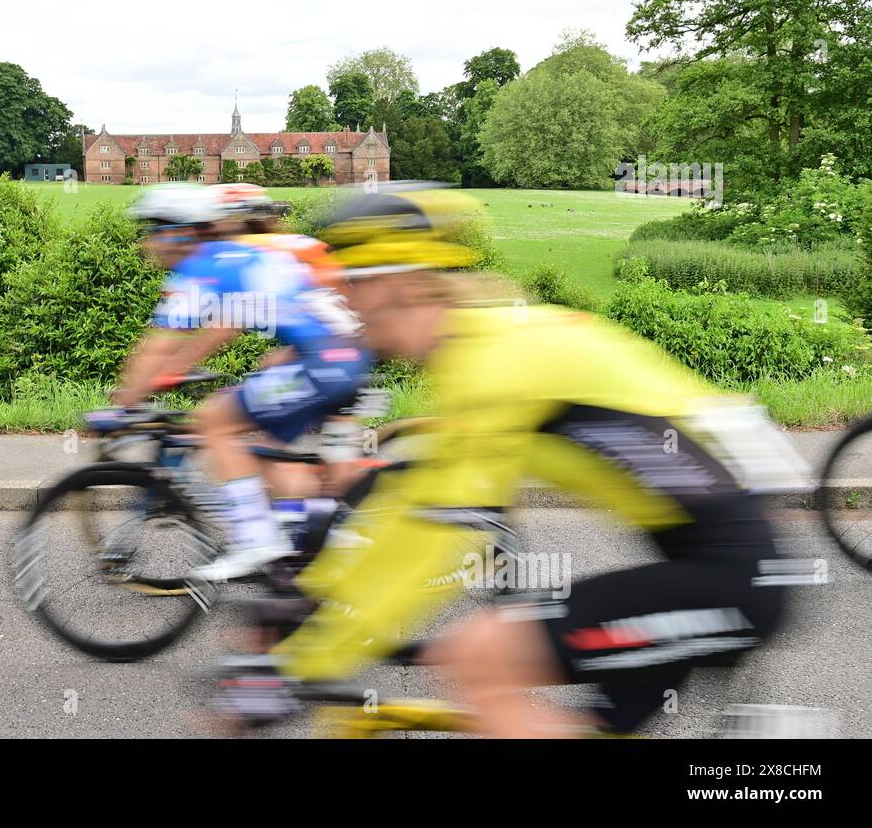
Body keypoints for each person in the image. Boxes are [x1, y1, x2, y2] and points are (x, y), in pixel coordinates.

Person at [218, 186, 807, 737]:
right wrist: (315, 599)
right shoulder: (476, 350)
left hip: (733, 581)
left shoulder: (493, 365)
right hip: (705, 569)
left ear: (397, 284)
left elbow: (436, 537)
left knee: (482, 656)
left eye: (347, 284)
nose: (337, 301)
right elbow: (415, 504)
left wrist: (299, 662)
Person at [104, 183, 370, 581]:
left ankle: (256, 540)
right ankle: (322, 534)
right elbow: (220, 329)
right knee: (264, 450)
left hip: (321, 361)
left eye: (154, 230)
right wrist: (170, 373)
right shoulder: (235, 257)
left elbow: (158, 345)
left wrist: (124, 403)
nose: (149, 242)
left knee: (215, 419)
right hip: (341, 356)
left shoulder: (201, 269)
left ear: (182, 232)